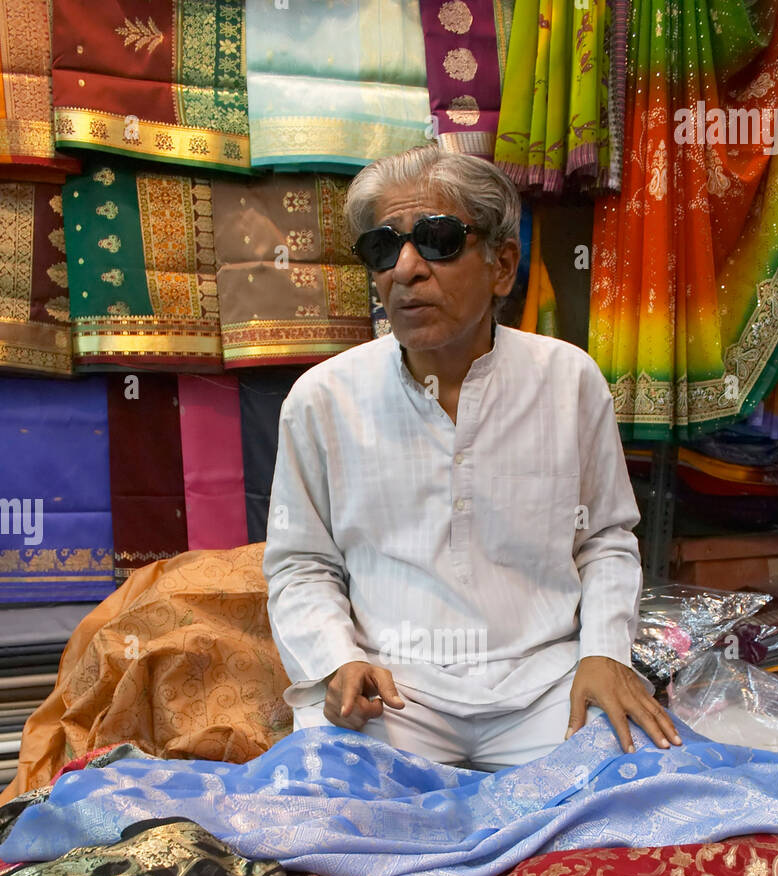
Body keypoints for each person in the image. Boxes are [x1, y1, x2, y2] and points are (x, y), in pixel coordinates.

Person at [264, 145, 680, 770]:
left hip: (545, 684)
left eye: (436, 240)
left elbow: (606, 541)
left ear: (502, 265)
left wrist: (603, 653)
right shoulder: (322, 400)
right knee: (330, 799)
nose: (405, 269)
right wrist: (336, 660)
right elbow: (301, 564)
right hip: (395, 693)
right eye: (383, 248)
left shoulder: (568, 380)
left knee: (641, 783)